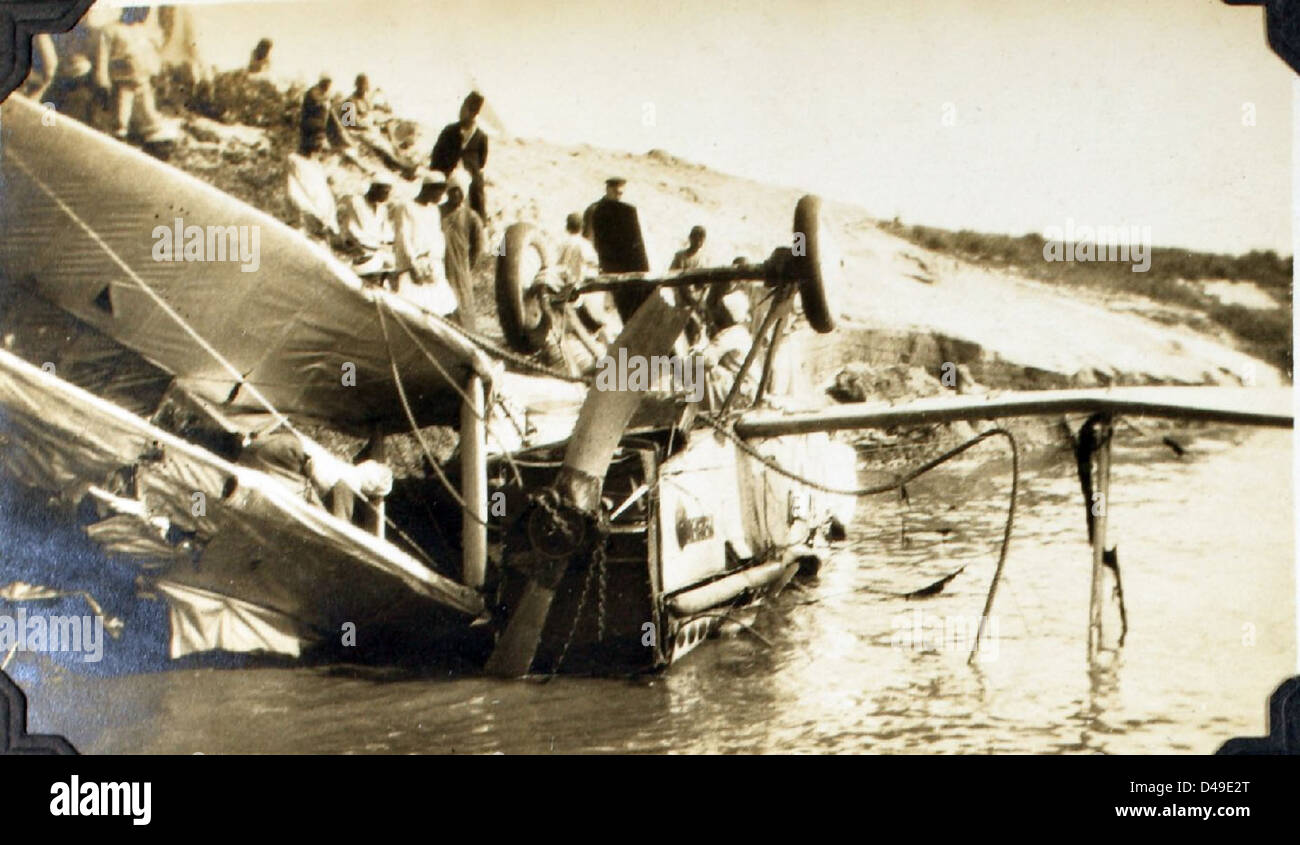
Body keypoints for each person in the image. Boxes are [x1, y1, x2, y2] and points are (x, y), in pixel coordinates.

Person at [94, 7, 175, 144]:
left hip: (142, 83)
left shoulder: (141, 31)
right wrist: (102, 78)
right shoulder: (110, 30)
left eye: (145, 11)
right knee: (121, 116)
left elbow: (149, 53)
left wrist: (155, 71)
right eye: (140, 9)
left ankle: (151, 133)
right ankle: (118, 134)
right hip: (122, 84)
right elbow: (102, 57)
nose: (144, 14)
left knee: (148, 113)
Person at [585, 177, 651, 323]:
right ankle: (622, 347)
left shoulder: (628, 211)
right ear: (608, 189)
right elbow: (589, 242)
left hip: (625, 274)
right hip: (605, 273)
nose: (618, 196)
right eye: (616, 192)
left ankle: (625, 347)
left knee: (626, 319)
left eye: (621, 193)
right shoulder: (594, 210)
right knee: (612, 321)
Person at [390, 174, 458, 316]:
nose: (440, 197)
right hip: (413, 265)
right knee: (411, 308)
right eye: (439, 192)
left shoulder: (433, 210)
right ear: (428, 189)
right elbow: (403, 237)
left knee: (440, 307)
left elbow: (437, 236)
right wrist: (413, 264)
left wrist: (436, 260)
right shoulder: (405, 206)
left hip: (432, 265)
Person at [556, 212, 619, 344]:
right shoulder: (584, 244)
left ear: (567, 226)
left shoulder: (561, 243)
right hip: (577, 292)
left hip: (561, 290)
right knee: (596, 325)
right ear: (581, 227)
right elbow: (595, 263)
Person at [429, 92, 489, 219]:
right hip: (447, 176)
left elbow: (482, 161)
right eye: (462, 108)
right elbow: (436, 154)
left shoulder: (481, 137)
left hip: (469, 179)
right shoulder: (449, 131)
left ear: (474, 113)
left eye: (465, 109)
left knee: (475, 205)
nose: (461, 112)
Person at [440, 171, 486, 330]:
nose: (456, 194)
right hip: (439, 264)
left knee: (462, 302)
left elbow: (478, 246)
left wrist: (468, 265)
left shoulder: (472, 217)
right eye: (453, 190)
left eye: (459, 190)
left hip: (461, 266)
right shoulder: (438, 211)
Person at [699, 290, 758, 409]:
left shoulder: (731, 335)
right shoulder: (741, 332)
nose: (717, 314)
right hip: (750, 389)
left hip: (744, 393)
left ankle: (714, 411)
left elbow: (707, 358)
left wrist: (701, 340)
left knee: (707, 371)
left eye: (721, 311)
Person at [337, 174, 395, 276]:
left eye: (389, 193)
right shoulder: (352, 200)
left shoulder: (382, 210)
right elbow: (342, 225)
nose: (387, 197)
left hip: (374, 251)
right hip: (354, 249)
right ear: (374, 188)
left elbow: (386, 236)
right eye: (385, 192)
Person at [670, 225, 712, 343]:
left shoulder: (704, 259)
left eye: (701, 240)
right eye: (696, 238)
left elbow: (706, 283)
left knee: (694, 328)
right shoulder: (680, 256)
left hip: (697, 299)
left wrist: (699, 299)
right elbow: (672, 275)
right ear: (690, 238)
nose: (698, 242)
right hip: (680, 297)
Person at [299, 74, 349, 157]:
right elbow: (318, 104)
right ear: (323, 82)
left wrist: (340, 127)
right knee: (313, 144)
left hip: (320, 125)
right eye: (327, 83)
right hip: (311, 124)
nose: (328, 86)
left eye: (329, 84)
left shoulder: (324, 94)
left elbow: (330, 111)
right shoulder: (314, 92)